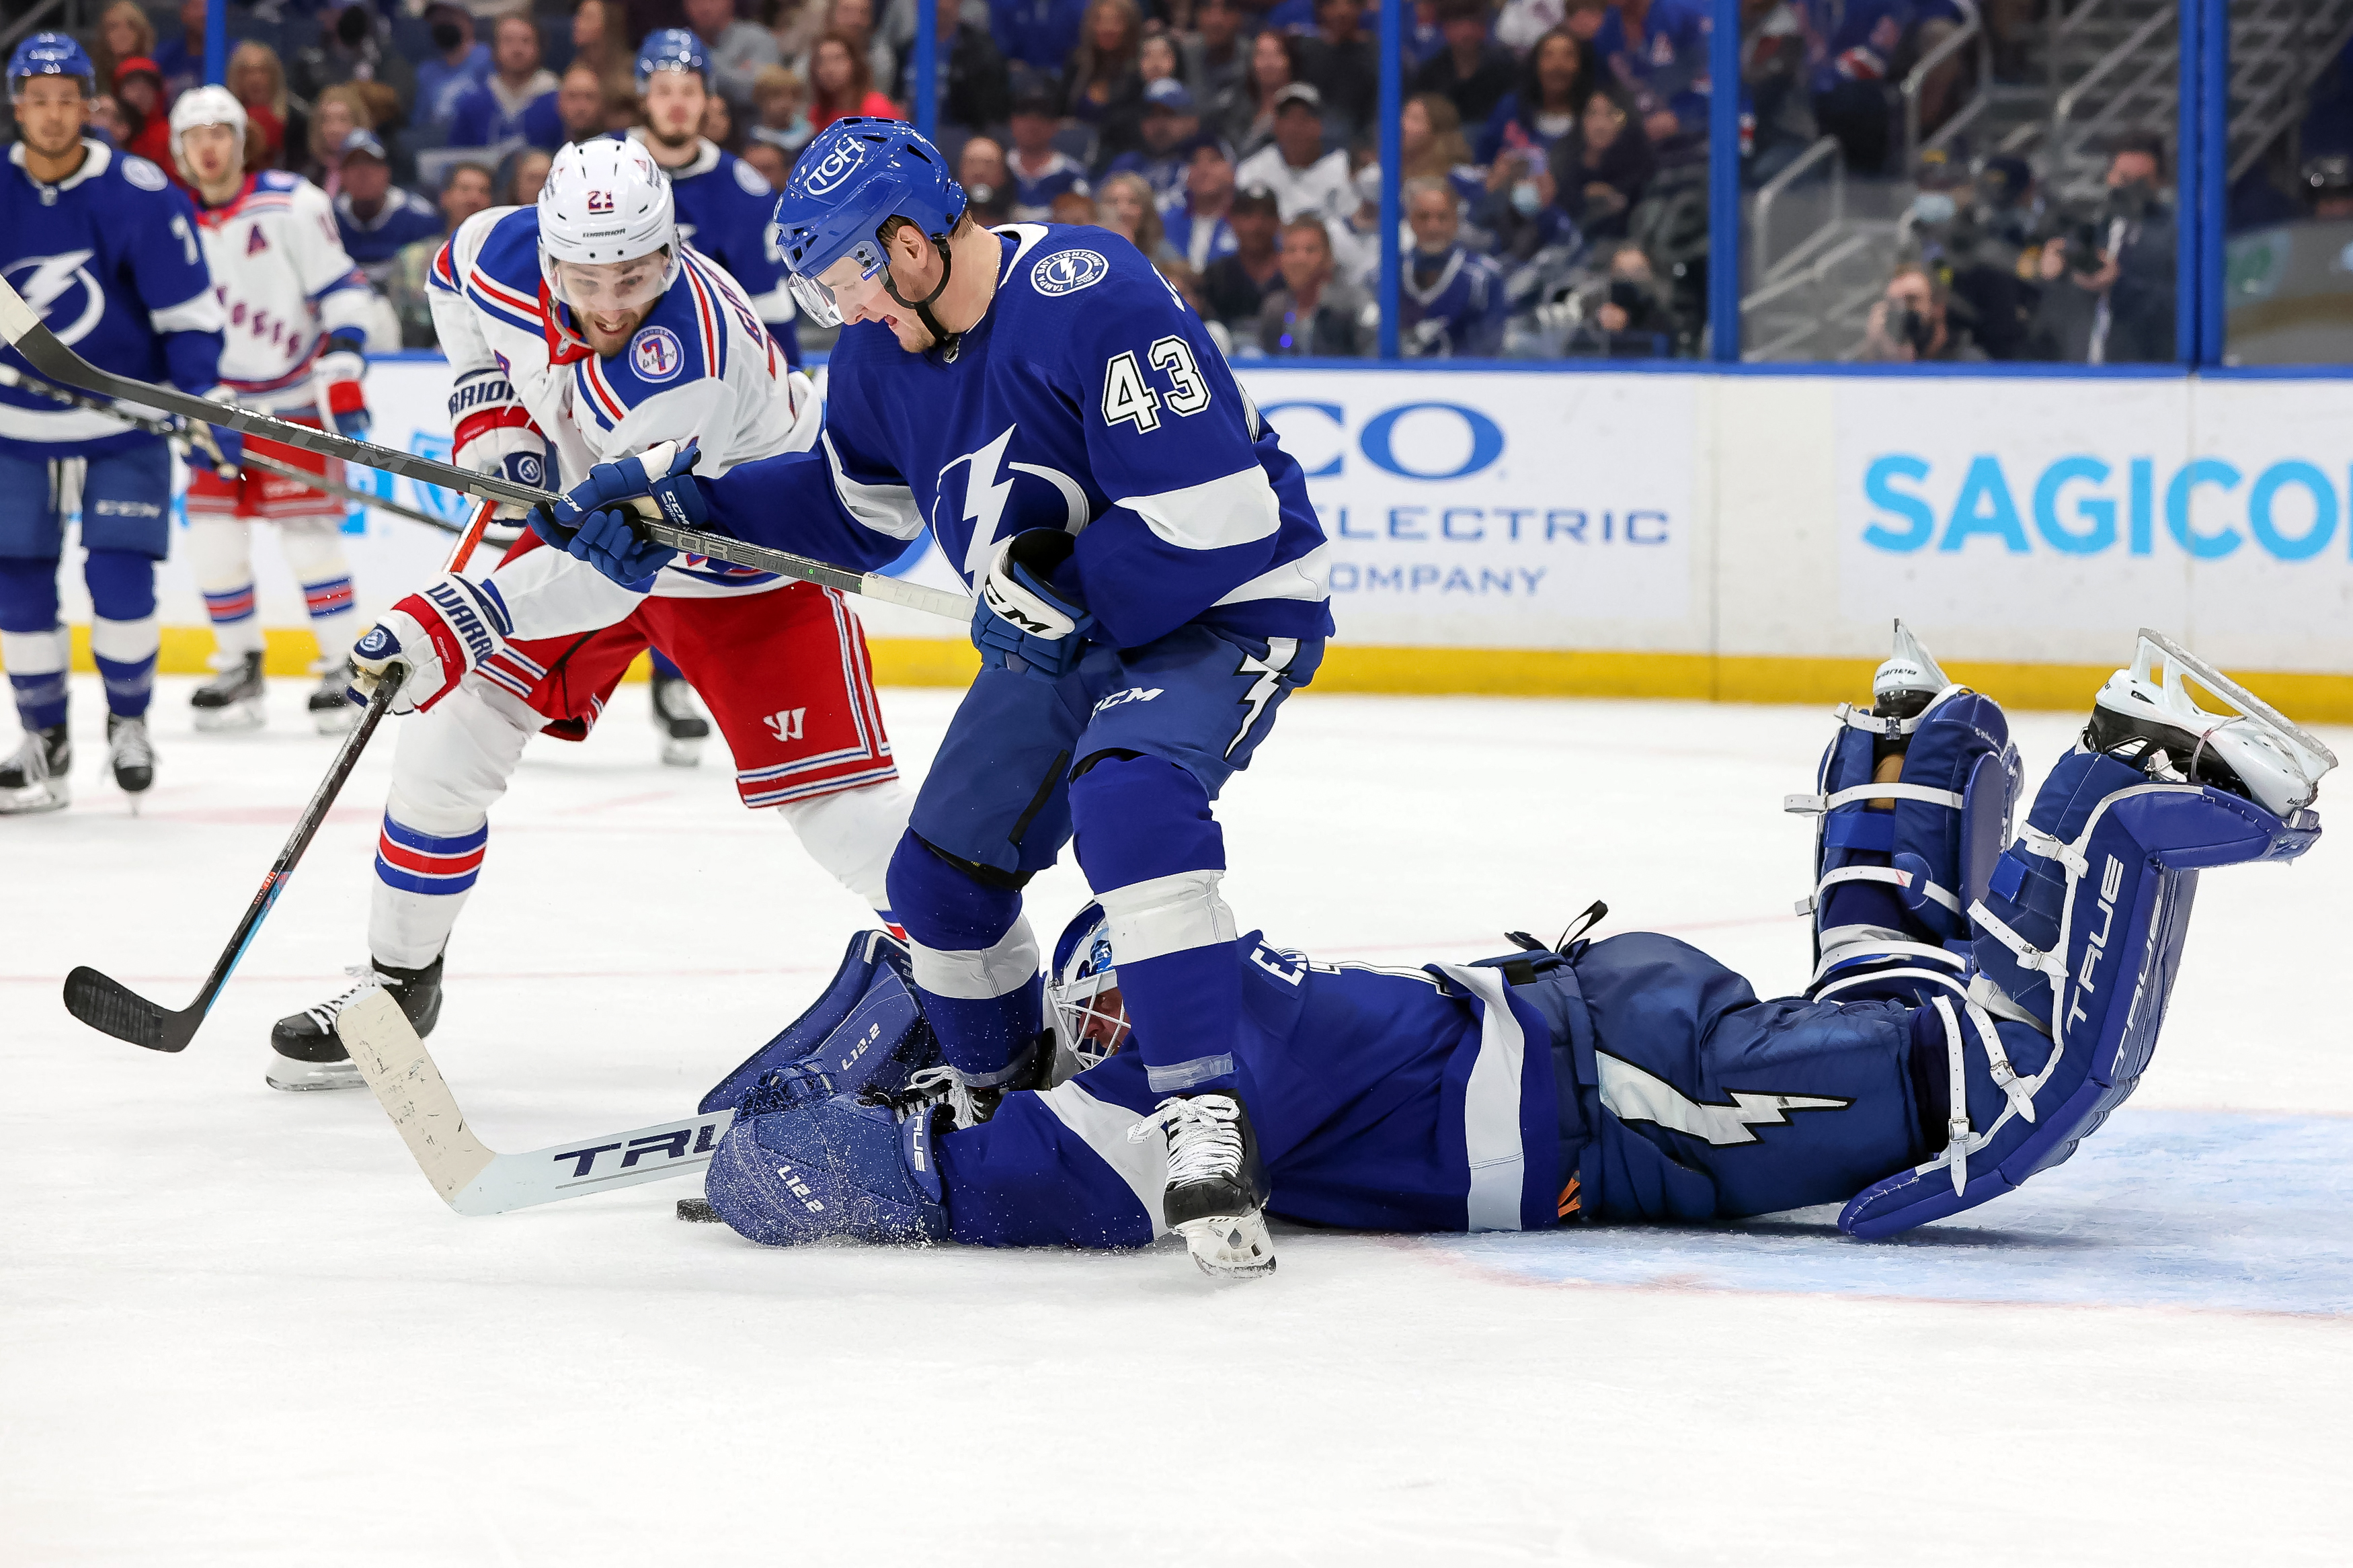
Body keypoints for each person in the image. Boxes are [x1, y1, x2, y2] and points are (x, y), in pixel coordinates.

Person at [696, 632, 2338, 1278]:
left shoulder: (1186, 1065)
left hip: (1633, 1100)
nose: (1109, 1032)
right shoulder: (1217, 995)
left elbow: (982, 1190)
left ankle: (2121, 778)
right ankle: (1903, 746)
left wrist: (788, 1128)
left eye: (1101, 1013)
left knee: (1973, 1075)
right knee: (1883, 998)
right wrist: (926, 1032)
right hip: (1614, 1029)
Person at [545, 119, 1336, 1277]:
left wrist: (1066, 586)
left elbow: (1223, 518)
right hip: (1073, 623)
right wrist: (690, 509)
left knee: (1129, 797)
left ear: (912, 246)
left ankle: (1203, 1117)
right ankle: (1000, 1102)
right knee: (942, 881)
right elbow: (854, 512)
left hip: (1222, 602)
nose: (846, 307)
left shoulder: (1091, 292)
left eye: (851, 278)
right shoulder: (878, 355)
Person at [270, 136, 914, 1091]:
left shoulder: (686, 363)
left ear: (670, 250)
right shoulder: (500, 251)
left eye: (637, 276)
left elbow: (621, 569)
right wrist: (492, 412)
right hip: (593, 532)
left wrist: (459, 616)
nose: (611, 305)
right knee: (445, 745)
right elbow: (451, 280)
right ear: (547, 257)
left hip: (742, 560)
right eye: (585, 279)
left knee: (841, 816)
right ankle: (396, 991)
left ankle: (981, 989)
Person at [0, 34, 227, 815]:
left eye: (67, 100)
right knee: (17, 585)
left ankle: (129, 722)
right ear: (18, 107)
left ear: (89, 106)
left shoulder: (137, 190)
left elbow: (188, 313)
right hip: (17, 423)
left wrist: (203, 399)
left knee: (121, 577)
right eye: (38, 101)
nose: (52, 115)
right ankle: (44, 741)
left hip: (125, 418)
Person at [167, 87, 380, 735]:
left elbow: (345, 290)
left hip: (292, 406)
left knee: (311, 544)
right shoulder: (168, 221)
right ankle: (239, 666)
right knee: (212, 544)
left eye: (220, 133)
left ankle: (345, 669)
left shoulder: (292, 203)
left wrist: (343, 363)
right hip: (214, 407)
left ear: (242, 141)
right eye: (195, 136)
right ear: (179, 150)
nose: (209, 147)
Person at [632, 31, 803, 365]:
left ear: (708, 99)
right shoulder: (597, 169)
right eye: (664, 91)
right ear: (643, 98)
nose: (677, 104)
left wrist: (788, 380)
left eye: (689, 91)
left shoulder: (745, 194)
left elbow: (770, 315)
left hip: (713, 371)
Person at [2028, 130, 2177, 366]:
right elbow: (2048, 311)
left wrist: (2120, 285)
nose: (2129, 190)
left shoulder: (2174, 236)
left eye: (2141, 181)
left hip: (2144, 371)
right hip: (2076, 368)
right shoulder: (2091, 228)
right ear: (2110, 177)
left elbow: (2182, 308)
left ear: (2160, 181)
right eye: (2124, 178)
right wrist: (2052, 274)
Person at [1399, 178, 1507, 356]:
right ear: (1409, 220)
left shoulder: (1484, 279)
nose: (1433, 227)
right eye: (1423, 217)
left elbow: (1490, 351)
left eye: (1443, 217)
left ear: (1456, 221)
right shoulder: (1387, 275)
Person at [1548, 81, 1654, 243]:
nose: (1600, 125)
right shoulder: (1566, 169)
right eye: (1591, 114)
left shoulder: (1640, 166)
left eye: (1610, 114)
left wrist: (1609, 195)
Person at [1256, 212, 1372, 355]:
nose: (1300, 260)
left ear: (1328, 258)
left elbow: (1373, 358)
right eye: (1291, 251)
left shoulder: (1352, 305)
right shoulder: (1274, 308)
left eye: (1310, 250)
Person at [1234, 82, 1351, 224]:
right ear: (1275, 125)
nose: (1296, 127)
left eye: (1304, 118)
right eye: (1287, 118)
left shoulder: (1345, 169)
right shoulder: (1251, 171)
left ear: (1319, 125)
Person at [333, 131, 445, 280]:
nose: (363, 174)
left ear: (386, 171)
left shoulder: (420, 216)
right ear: (341, 175)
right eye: (353, 165)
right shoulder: (330, 217)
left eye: (371, 164)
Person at [1476, 25, 1590, 165]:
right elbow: (1483, 163)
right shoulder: (1510, 108)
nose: (1558, 66)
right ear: (1535, 64)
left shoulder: (1594, 112)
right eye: (1549, 56)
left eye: (1568, 55)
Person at [898, 0, 1012, 137]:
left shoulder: (982, 52)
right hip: (910, 136)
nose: (937, 5)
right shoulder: (905, 50)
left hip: (965, 138)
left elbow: (992, 114)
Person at [449, 13, 559, 150]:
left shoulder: (559, 100)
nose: (517, 49)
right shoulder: (473, 103)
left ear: (539, 47)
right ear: (495, 47)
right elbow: (457, 155)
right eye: (508, 41)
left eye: (525, 41)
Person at [1412, 0, 1519, 129]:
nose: (1467, 30)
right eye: (1458, 22)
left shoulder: (1505, 67)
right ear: (1445, 28)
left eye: (1474, 21)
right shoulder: (1430, 73)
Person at [1063, 0, 1146, 164]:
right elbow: (1062, 113)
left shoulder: (1139, 71)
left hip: (1124, 155)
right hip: (1075, 155)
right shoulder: (1077, 65)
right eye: (1100, 20)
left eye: (1116, 21)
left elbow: (1134, 124)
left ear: (1131, 27)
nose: (1107, 28)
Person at [1102, 77, 1200, 205]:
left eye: (1168, 115)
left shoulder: (1207, 163)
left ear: (1192, 121)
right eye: (1151, 115)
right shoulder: (1126, 165)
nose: (1159, 125)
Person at [1200, 181, 1283, 326]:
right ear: (1232, 220)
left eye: (1266, 215)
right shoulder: (1216, 275)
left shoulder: (1292, 273)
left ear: (1278, 221)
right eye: (1247, 214)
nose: (1257, 224)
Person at [1006, 83, 1092, 218]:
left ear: (1055, 125)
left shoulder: (1071, 173)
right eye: (1024, 115)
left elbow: (1083, 220)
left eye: (1042, 116)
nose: (1032, 124)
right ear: (1013, 121)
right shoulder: (998, 167)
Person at [1297, 0, 1379, 142]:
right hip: (1314, 140)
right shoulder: (1308, 52)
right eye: (1333, 4)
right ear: (1323, 10)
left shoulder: (1377, 54)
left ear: (1359, 8)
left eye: (1349, 3)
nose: (1341, 11)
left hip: (1361, 142)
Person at [1221, 28, 1302, 157]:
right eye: (1261, 55)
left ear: (1289, 60)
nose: (1269, 63)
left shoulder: (1302, 108)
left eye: (1276, 54)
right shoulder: (1237, 110)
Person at [1163, 135, 1240, 271]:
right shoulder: (1165, 224)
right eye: (1194, 162)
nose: (1203, 169)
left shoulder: (1247, 222)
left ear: (1232, 170)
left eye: (1214, 160)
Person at [416, 3, 495, 130]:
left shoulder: (487, 59)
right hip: (436, 139)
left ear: (468, 21)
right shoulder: (427, 71)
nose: (442, 22)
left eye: (448, 16)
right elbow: (419, 122)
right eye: (436, 18)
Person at [807, 30, 901, 134]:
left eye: (837, 59)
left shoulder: (877, 108)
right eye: (821, 61)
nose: (829, 69)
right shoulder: (817, 114)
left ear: (854, 63)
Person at [228, 42, 303, 172]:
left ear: (274, 75)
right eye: (248, 72)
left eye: (262, 71)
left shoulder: (296, 119)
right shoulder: (226, 118)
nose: (255, 79)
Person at [991, 0, 1092, 95]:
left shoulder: (1078, 6)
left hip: (1064, 74)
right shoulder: (1005, 5)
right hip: (1020, 77)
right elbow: (999, 46)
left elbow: (1084, 48)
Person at [1095, 170, 1181, 267]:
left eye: (1133, 202)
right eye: (1113, 202)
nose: (1122, 210)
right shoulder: (1087, 249)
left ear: (1146, 211)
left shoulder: (1163, 254)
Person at [110, 57, 173, 170]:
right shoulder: (108, 131)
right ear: (118, 92)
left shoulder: (168, 136)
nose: (140, 93)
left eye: (148, 86)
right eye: (132, 86)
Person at [959, 134, 1013, 224]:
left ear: (1003, 172)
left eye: (989, 164)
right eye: (972, 163)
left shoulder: (1019, 222)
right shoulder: (943, 223)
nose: (979, 171)